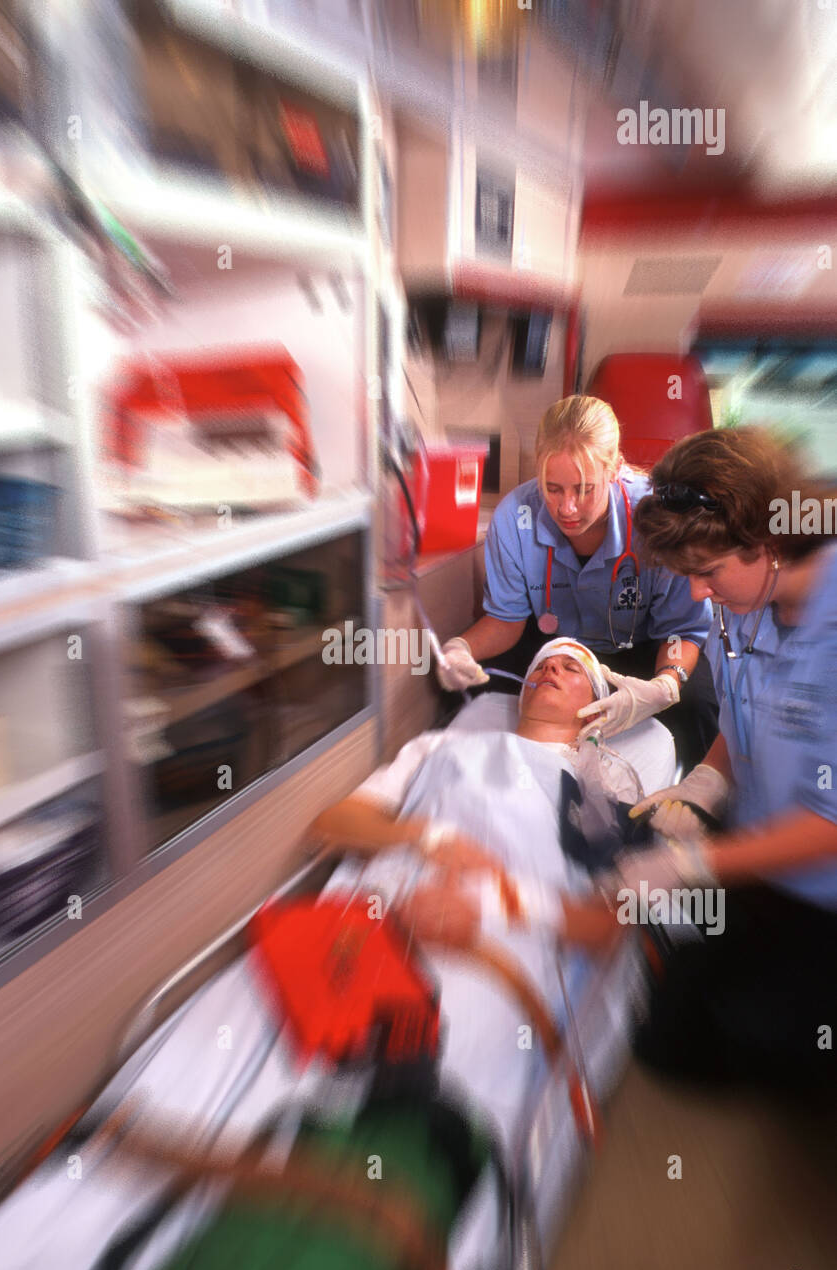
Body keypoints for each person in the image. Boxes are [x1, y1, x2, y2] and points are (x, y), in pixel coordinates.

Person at [566, 427, 837, 1092]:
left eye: (707, 574)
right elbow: (741, 719)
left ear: (767, 542)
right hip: (759, 850)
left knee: (766, 1038)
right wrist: (704, 783)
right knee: (667, 1041)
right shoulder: (742, 602)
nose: (697, 595)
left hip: (820, 881)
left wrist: (693, 862)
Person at [436, 395, 717, 766]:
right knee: (469, 688)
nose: (567, 508)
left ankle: (684, 813)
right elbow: (507, 620)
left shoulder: (659, 519)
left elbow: (683, 630)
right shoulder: (515, 518)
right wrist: (459, 649)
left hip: (643, 650)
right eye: (553, 489)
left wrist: (664, 684)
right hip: (556, 650)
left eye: (584, 489)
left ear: (614, 468)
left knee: (694, 707)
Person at [312, 638, 650, 946]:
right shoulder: (440, 746)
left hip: (495, 944)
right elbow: (334, 824)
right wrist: (425, 837)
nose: (551, 667)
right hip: (374, 916)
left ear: (596, 709)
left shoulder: (590, 794)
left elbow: (606, 926)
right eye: (542, 665)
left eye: (571, 667)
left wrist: (495, 903)